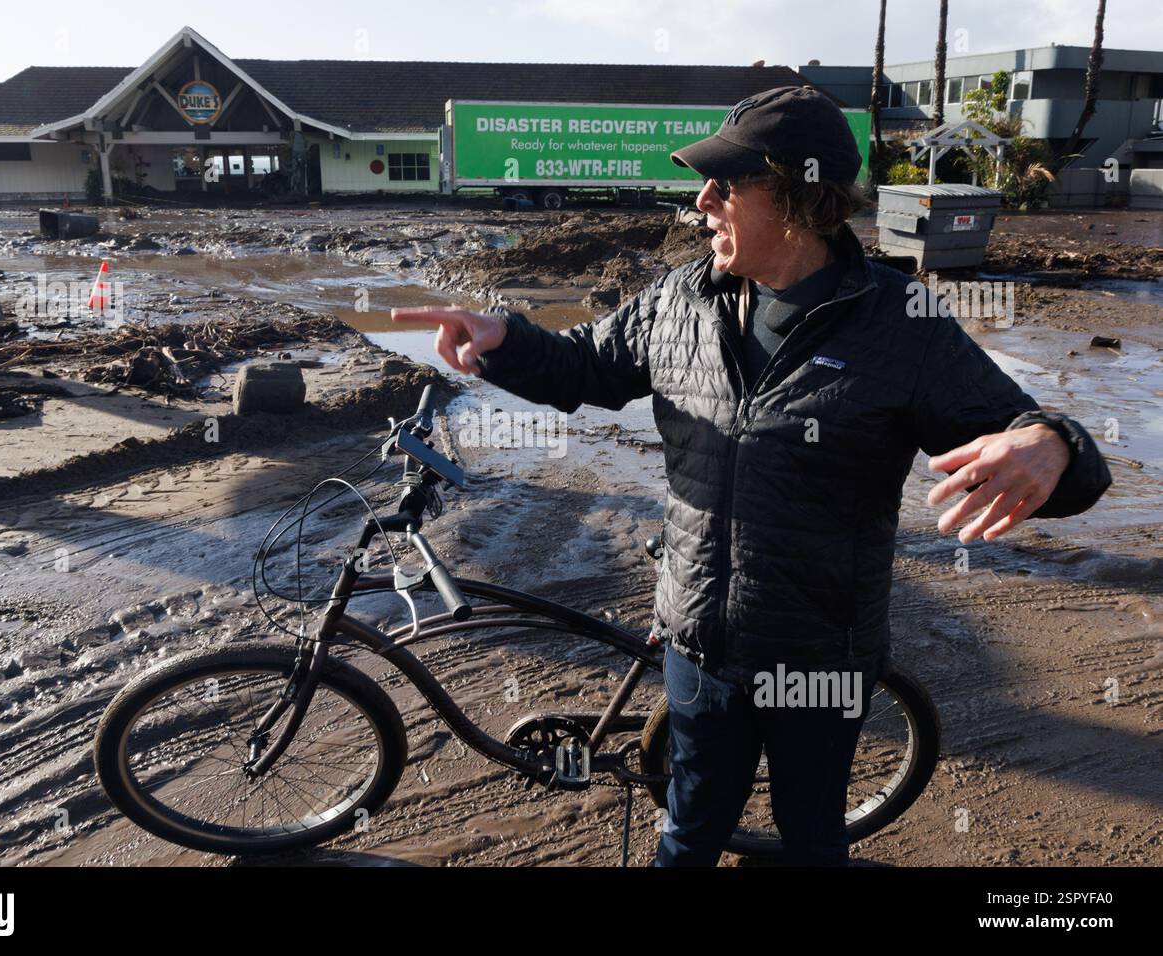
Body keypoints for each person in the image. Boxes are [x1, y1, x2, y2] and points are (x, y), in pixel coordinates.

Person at [391, 85, 1111, 866]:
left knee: (810, 840)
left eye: (725, 185)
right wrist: (502, 339)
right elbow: (585, 367)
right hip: (698, 643)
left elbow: (1033, 446)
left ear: (798, 198)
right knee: (689, 832)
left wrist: (1055, 443)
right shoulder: (682, 299)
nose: (701, 202)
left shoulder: (905, 326)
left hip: (820, 657)